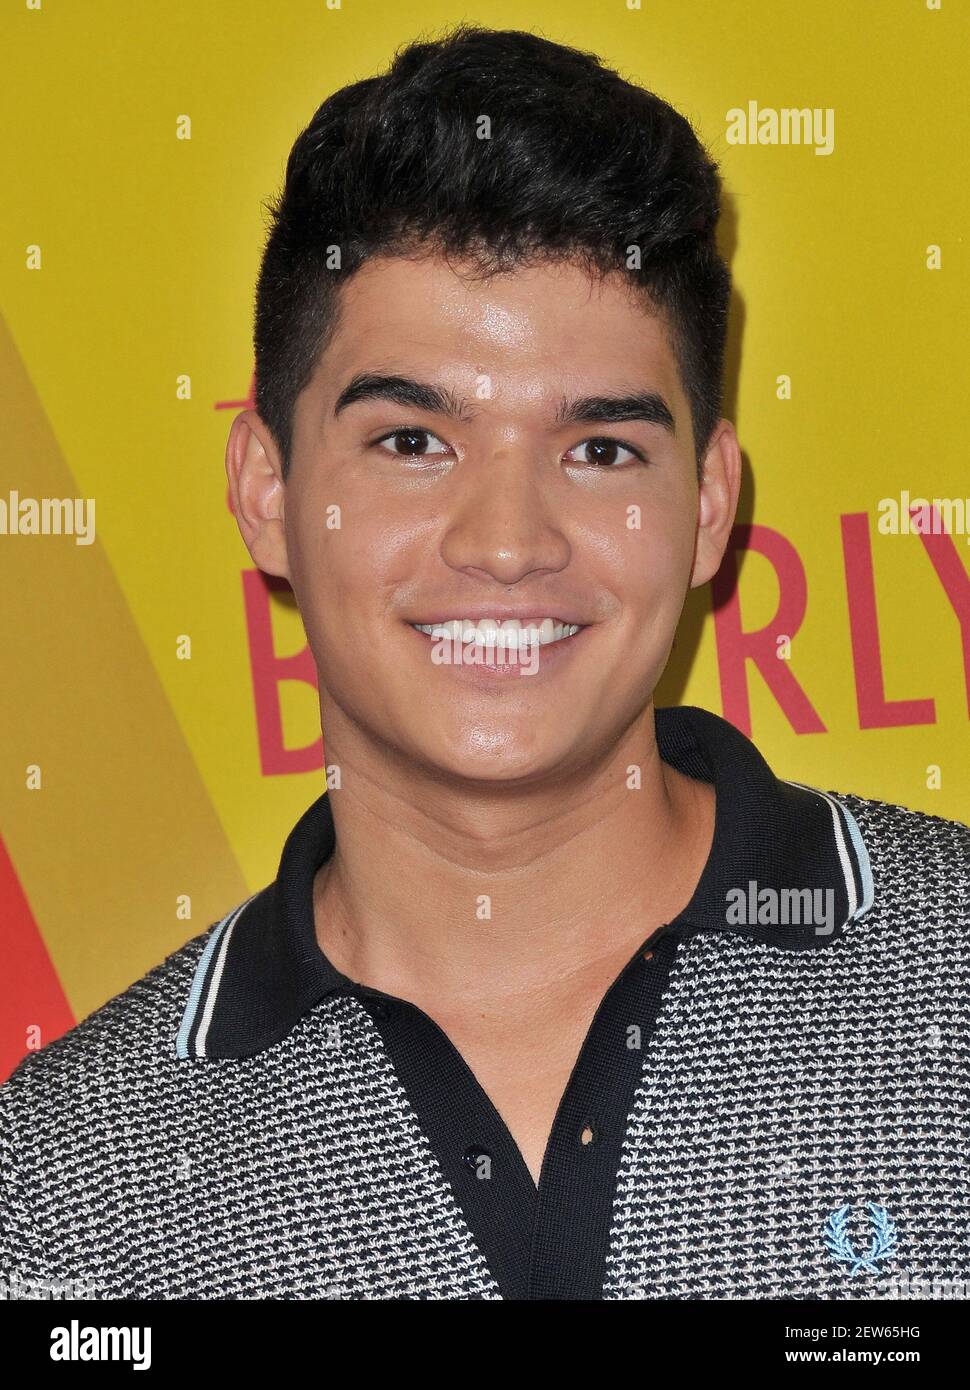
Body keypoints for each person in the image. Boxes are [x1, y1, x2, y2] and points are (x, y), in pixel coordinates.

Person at [2, 24, 967, 1303]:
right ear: (267, 489)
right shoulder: (61, 1187)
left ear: (710, 506)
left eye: (602, 450)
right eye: (411, 441)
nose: (508, 543)